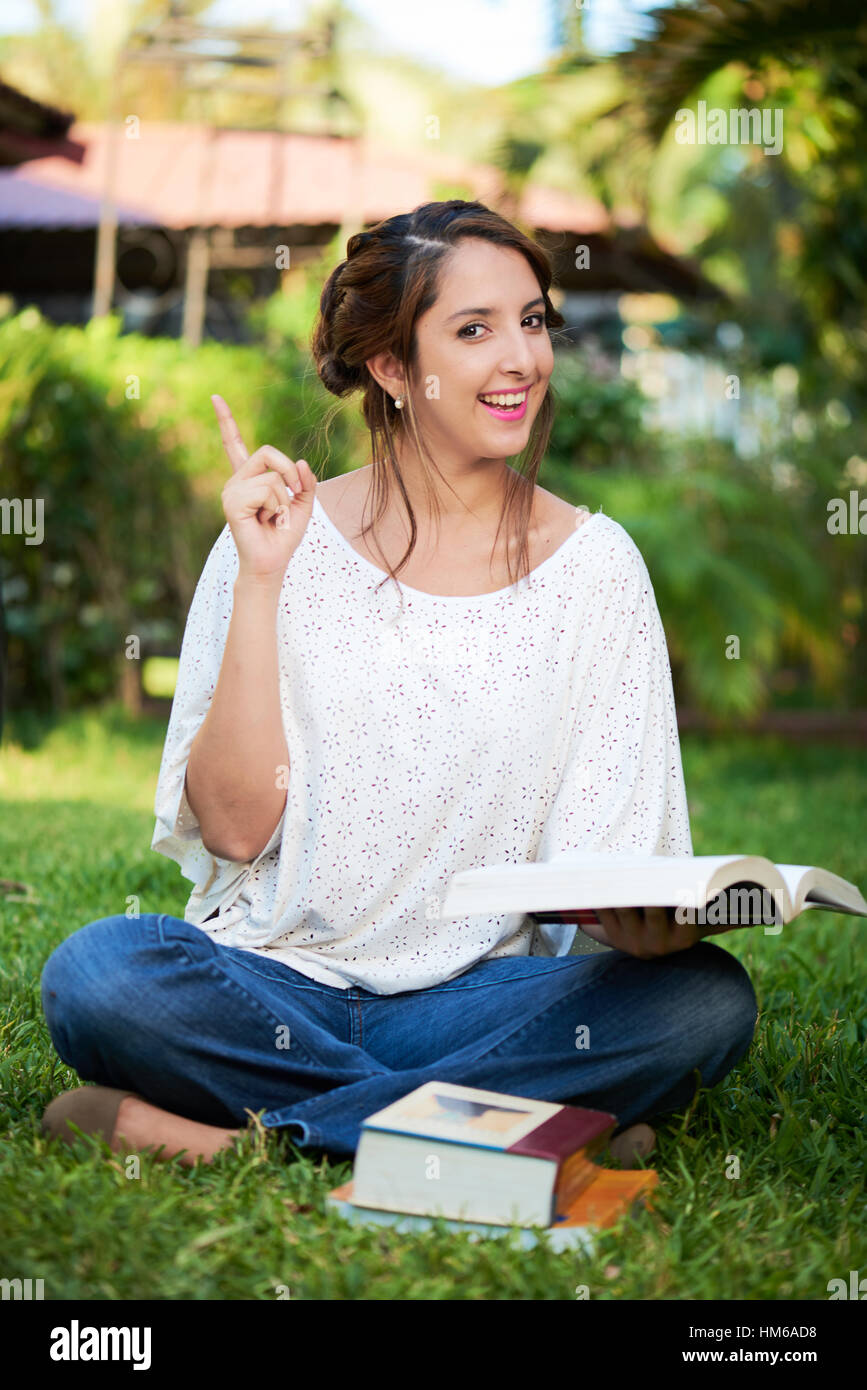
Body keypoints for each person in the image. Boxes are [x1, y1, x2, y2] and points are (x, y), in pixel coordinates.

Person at [40, 200, 757, 1171]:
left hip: (475, 999)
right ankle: (517, 1125)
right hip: (271, 984)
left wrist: (650, 929)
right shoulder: (276, 537)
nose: (522, 359)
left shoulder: (597, 568)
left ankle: (250, 1140)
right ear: (390, 367)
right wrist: (261, 577)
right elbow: (235, 830)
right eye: (475, 330)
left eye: (533, 320)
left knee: (704, 1001)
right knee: (101, 974)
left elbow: (605, 861)